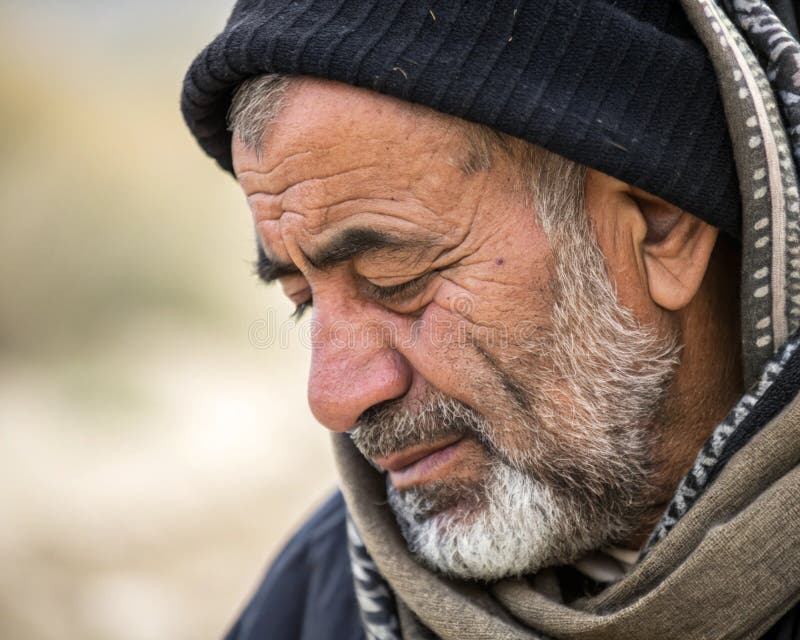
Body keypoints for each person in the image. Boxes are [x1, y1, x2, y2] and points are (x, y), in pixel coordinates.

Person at [181, 1, 800, 638]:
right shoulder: (315, 600)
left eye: (400, 281)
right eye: (304, 302)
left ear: (657, 227)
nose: (334, 397)